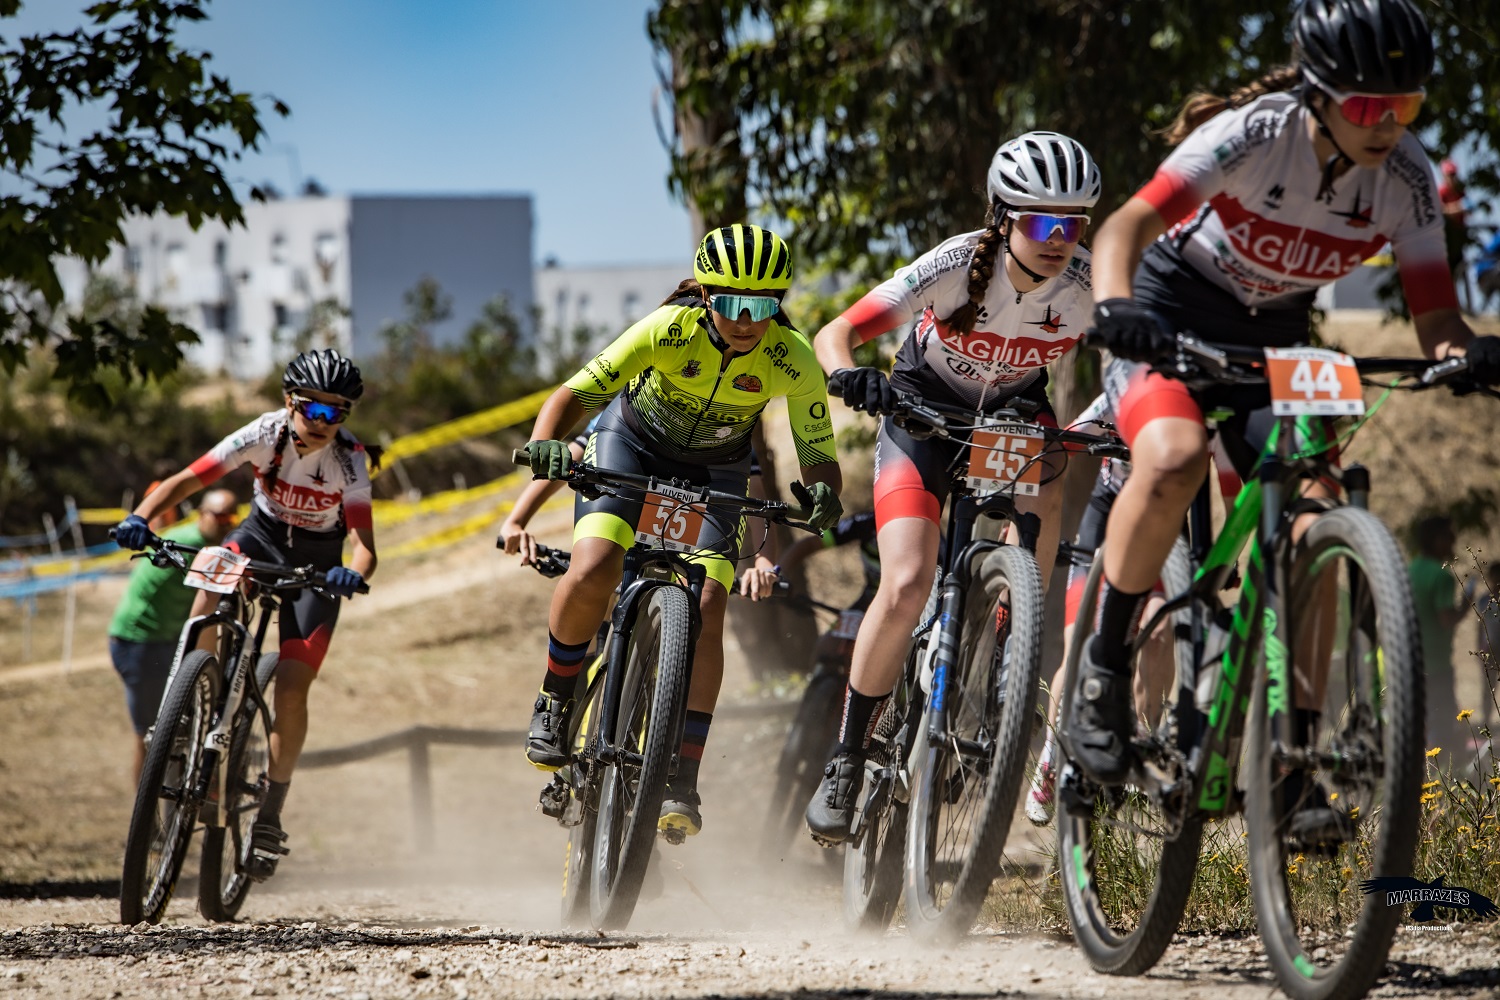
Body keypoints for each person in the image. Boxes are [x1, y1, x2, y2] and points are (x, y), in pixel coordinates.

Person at [1074, 0, 1500, 845]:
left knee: (1315, 520)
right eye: (1368, 104)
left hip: (1273, 337)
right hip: (1169, 311)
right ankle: (1101, 675)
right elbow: (1125, 226)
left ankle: (1292, 762)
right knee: (1173, 458)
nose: (1387, 124)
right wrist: (1116, 307)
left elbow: (1435, 319)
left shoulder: (1407, 178)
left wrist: (1469, 353)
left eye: (1406, 105)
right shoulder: (1253, 135)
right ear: (1317, 92)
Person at [804, 130, 1102, 843]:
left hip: (1013, 416)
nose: (1059, 240)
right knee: (907, 582)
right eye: (1042, 223)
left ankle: (1014, 636)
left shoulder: (1090, 285)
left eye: (1073, 225)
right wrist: (849, 374)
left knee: (1054, 462)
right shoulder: (956, 263)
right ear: (1003, 217)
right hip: (923, 414)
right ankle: (846, 758)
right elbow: (835, 333)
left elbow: (1140, 359)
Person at [519, 224, 843, 839]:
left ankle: (682, 773)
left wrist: (825, 489)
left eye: (762, 306)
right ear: (707, 295)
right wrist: (544, 443)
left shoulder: (792, 356)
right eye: (732, 303)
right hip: (631, 446)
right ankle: (556, 697)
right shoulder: (668, 329)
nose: (746, 320)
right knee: (595, 565)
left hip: (716, 469)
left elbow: (817, 448)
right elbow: (573, 394)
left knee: (710, 602)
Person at [113, 348, 377, 879]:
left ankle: (270, 816)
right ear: (289, 402)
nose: (323, 421)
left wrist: (353, 573)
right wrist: (140, 517)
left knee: (292, 690)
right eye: (313, 408)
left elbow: (365, 546)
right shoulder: (263, 432)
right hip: (259, 537)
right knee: (211, 571)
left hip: (318, 561)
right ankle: (191, 697)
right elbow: (189, 479)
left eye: (336, 411)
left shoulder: (350, 459)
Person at [109, 489, 240, 783]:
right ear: (202, 514)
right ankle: (145, 808)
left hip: (166, 639)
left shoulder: (202, 542)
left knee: (177, 729)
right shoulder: (195, 546)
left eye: (231, 518)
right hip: (140, 643)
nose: (226, 524)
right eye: (219, 517)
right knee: (150, 736)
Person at [1408, 516, 1465, 752]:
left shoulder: (1409, 570)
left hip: (1410, 662)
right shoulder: (1442, 577)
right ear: (1436, 540)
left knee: (1416, 723)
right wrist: (1465, 607)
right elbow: (1446, 620)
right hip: (1437, 665)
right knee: (1442, 723)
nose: (1453, 541)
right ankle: (1442, 768)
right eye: (1448, 536)